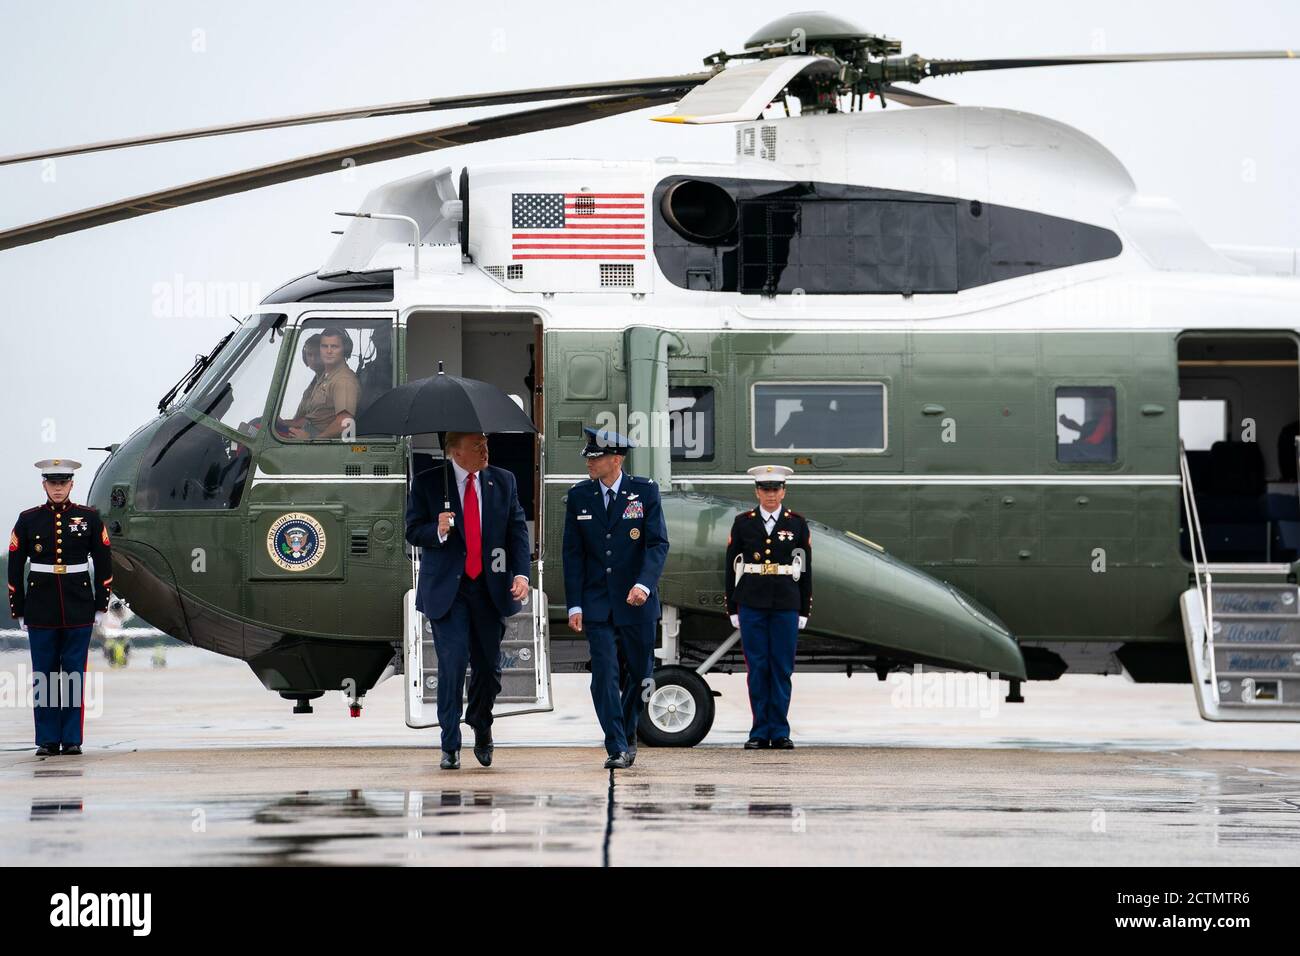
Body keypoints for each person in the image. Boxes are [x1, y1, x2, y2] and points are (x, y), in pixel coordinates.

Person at [405, 432, 530, 770]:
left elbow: (516, 530)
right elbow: (412, 530)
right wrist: (439, 529)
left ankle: (481, 721)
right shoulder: (430, 483)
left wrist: (521, 574)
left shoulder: (503, 481)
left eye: (485, 443)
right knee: (453, 663)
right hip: (449, 591)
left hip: (489, 589)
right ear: (455, 451)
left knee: (488, 668)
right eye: (477, 446)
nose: (485, 449)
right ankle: (450, 743)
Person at [562, 426, 669, 769]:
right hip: (596, 602)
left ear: (617, 459)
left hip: (636, 598)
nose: (589, 463)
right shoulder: (580, 495)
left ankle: (627, 728)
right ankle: (616, 745)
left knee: (641, 674)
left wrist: (645, 584)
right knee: (604, 673)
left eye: (596, 458)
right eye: (589, 457)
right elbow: (573, 554)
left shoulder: (645, 492)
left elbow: (657, 544)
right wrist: (575, 603)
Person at [8, 459, 113, 757]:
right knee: (44, 675)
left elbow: (104, 560)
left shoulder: (89, 518)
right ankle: (47, 739)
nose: (58, 488)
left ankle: (71, 739)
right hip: (40, 607)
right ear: (44, 485)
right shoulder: (28, 520)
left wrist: (100, 604)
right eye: (52, 483)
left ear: (71, 484)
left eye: (63, 483)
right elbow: (15, 567)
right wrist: (19, 608)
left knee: (73, 676)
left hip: (78, 605)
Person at [724, 464, 812, 750]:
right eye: (765, 489)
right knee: (758, 668)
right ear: (757, 491)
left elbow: (806, 568)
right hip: (752, 602)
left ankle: (781, 730)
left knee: (781, 668)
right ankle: (760, 730)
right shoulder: (743, 522)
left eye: (775, 489)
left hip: (786, 603)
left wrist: (804, 610)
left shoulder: (797, 523)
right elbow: (731, 566)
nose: (770, 495)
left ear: (784, 491)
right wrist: (733, 608)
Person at [286, 328, 360, 439]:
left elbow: (345, 423)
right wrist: (284, 423)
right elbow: (315, 417)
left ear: (345, 350)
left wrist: (312, 441)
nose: (328, 351)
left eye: (334, 347)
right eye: (324, 346)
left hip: (316, 441)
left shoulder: (343, 381)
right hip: (307, 431)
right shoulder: (326, 376)